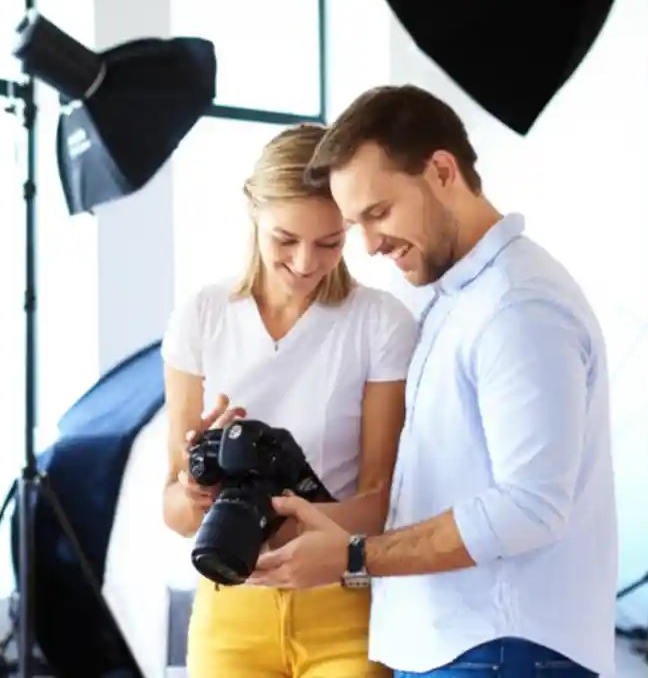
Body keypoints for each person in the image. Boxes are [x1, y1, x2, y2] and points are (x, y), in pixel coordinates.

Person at [244, 85, 618, 678]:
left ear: (442, 171)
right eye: (356, 225)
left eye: (378, 213)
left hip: (501, 654)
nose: (369, 245)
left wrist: (355, 557)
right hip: (468, 650)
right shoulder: (458, 298)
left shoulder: (518, 306)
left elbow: (531, 506)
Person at [161, 122, 419, 677]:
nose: (306, 264)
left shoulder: (381, 324)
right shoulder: (202, 316)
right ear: (253, 212)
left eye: (330, 242)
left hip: (342, 605)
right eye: (286, 239)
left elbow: (379, 504)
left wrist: (285, 516)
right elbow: (174, 512)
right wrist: (198, 490)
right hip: (229, 605)